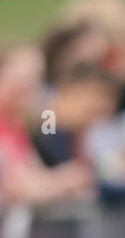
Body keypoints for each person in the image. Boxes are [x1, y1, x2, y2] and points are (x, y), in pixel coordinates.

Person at [0, 44, 93, 208]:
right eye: (21, 78)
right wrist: (64, 180)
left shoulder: (19, 126)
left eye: (36, 78)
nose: (30, 86)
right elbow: (20, 185)